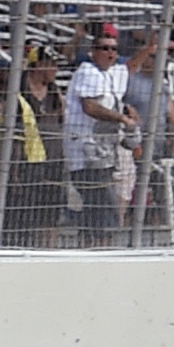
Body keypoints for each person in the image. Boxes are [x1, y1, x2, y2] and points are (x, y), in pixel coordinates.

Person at [66, 35, 134, 247]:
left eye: (114, 49)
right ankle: (96, 246)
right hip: (86, 153)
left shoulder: (109, 74)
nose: (110, 53)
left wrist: (150, 49)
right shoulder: (88, 71)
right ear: (93, 51)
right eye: (104, 48)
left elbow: (130, 67)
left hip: (101, 153)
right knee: (101, 203)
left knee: (99, 205)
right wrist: (121, 118)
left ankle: (98, 245)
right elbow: (90, 107)